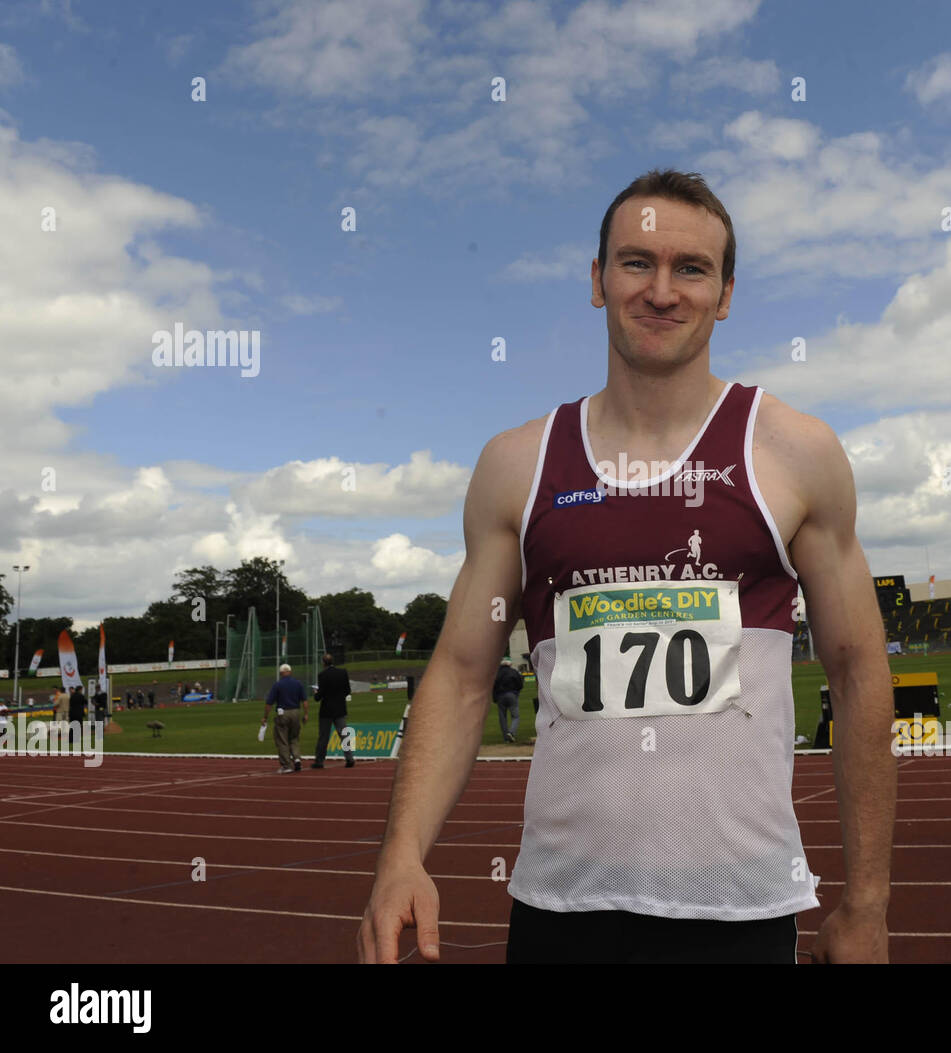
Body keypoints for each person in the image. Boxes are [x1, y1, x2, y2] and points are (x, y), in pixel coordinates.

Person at [357, 169, 897, 965]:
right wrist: (401, 853)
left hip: (740, 906)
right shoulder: (517, 465)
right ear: (598, 280)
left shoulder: (793, 452)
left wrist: (866, 904)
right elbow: (464, 672)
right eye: (636, 262)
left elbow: (857, 672)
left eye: (692, 268)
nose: (662, 290)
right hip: (562, 907)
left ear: (726, 293)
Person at [262, 664, 309, 773]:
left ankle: (286, 765)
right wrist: (306, 714)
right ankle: (297, 758)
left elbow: (269, 703)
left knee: (282, 739)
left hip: (283, 713)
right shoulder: (298, 683)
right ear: (290, 671)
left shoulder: (278, 685)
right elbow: (305, 701)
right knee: (294, 737)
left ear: (281, 673)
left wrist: (265, 717)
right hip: (296, 712)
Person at [311, 653, 355, 769]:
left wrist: (316, 694)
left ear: (323, 663)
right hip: (340, 708)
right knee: (344, 735)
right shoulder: (343, 672)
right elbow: (347, 690)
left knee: (323, 737)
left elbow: (319, 696)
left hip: (326, 710)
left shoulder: (322, 675)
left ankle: (319, 761)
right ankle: (349, 758)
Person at [492, 658, 524, 743]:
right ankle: (511, 733)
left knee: (502, 717)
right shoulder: (513, 671)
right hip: (512, 695)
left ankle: (506, 738)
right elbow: (520, 684)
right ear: (510, 664)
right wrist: (516, 693)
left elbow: (493, 686)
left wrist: (495, 698)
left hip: (500, 696)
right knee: (515, 716)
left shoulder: (496, 673)